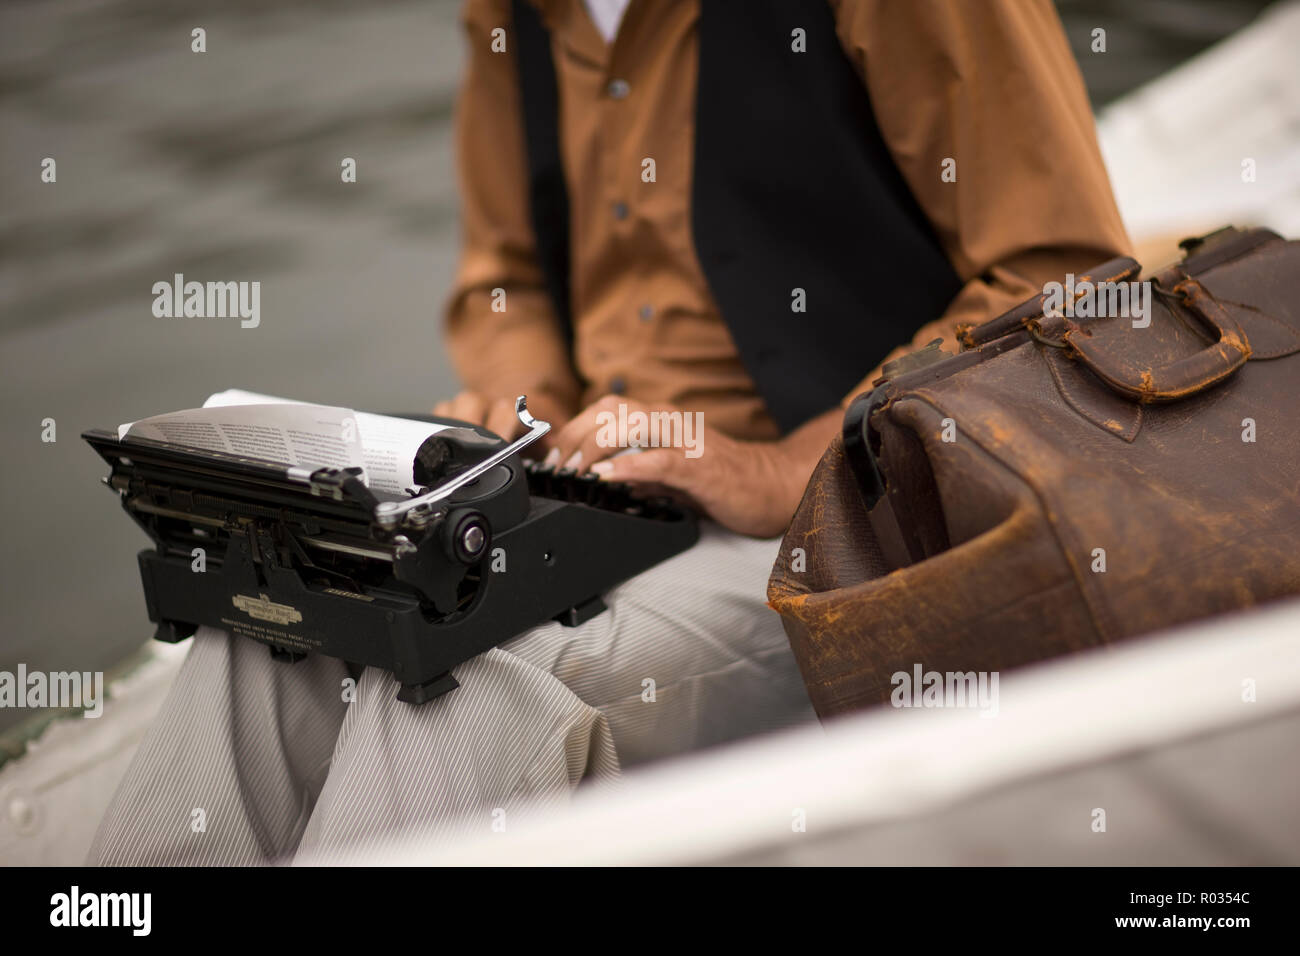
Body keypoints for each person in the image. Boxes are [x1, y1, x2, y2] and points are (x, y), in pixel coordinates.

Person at [90, 0, 1129, 864]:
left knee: (471, 689)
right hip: (592, 482)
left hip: (841, 514)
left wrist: (770, 466)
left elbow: (1066, 282)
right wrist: (520, 401)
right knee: (273, 624)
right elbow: (502, 277)